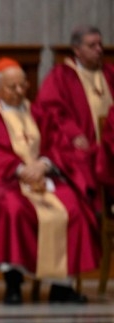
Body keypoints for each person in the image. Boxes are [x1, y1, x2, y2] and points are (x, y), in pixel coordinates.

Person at [0, 58, 99, 304]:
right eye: (12, 87)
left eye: (23, 85)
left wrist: (44, 164)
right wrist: (20, 168)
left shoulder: (38, 112)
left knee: (73, 205)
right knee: (13, 208)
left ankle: (61, 287)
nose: (20, 91)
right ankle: (13, 283)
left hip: (43, 176)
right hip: (4, 179)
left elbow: (59, 143)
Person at [33, 24, 114, 202]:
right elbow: (50, 110)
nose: (99, 50)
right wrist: (73, 133)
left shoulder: (110, 73)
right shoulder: (61, 76)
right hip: (84, 145)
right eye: (92, 46)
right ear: (77, 50)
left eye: (100, 44)